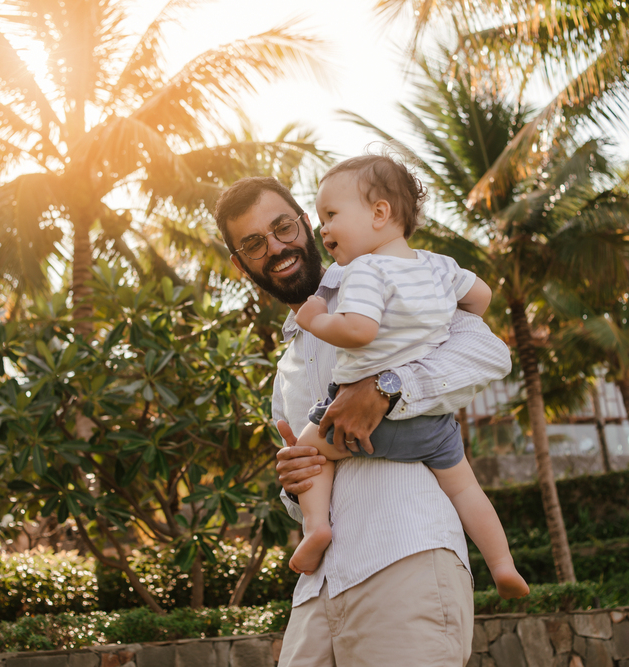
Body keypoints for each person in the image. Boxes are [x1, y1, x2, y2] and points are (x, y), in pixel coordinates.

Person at [214, 174, 512, 667]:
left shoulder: (390, 279)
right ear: (240, 263)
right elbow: (309, 483)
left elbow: (488, 351)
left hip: (406, 556)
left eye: (283, 227)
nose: (276, 247)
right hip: (318, 590)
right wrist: (292, 485)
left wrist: (386, 389)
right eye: (253, 243)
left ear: (306, 224)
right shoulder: (285, 371)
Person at [287, 155, 529, 601]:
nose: (324, 229)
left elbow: (359, 330)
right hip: (432, 425)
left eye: (331, 215)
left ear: (379, 213)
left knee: (307, 450)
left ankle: (317, 528)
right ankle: (502, 565)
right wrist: (438, 324)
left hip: (363, 420)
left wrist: (315, 319)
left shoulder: (364, 269)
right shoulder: (440, 267)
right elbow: (482, 297)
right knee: (466, 489)